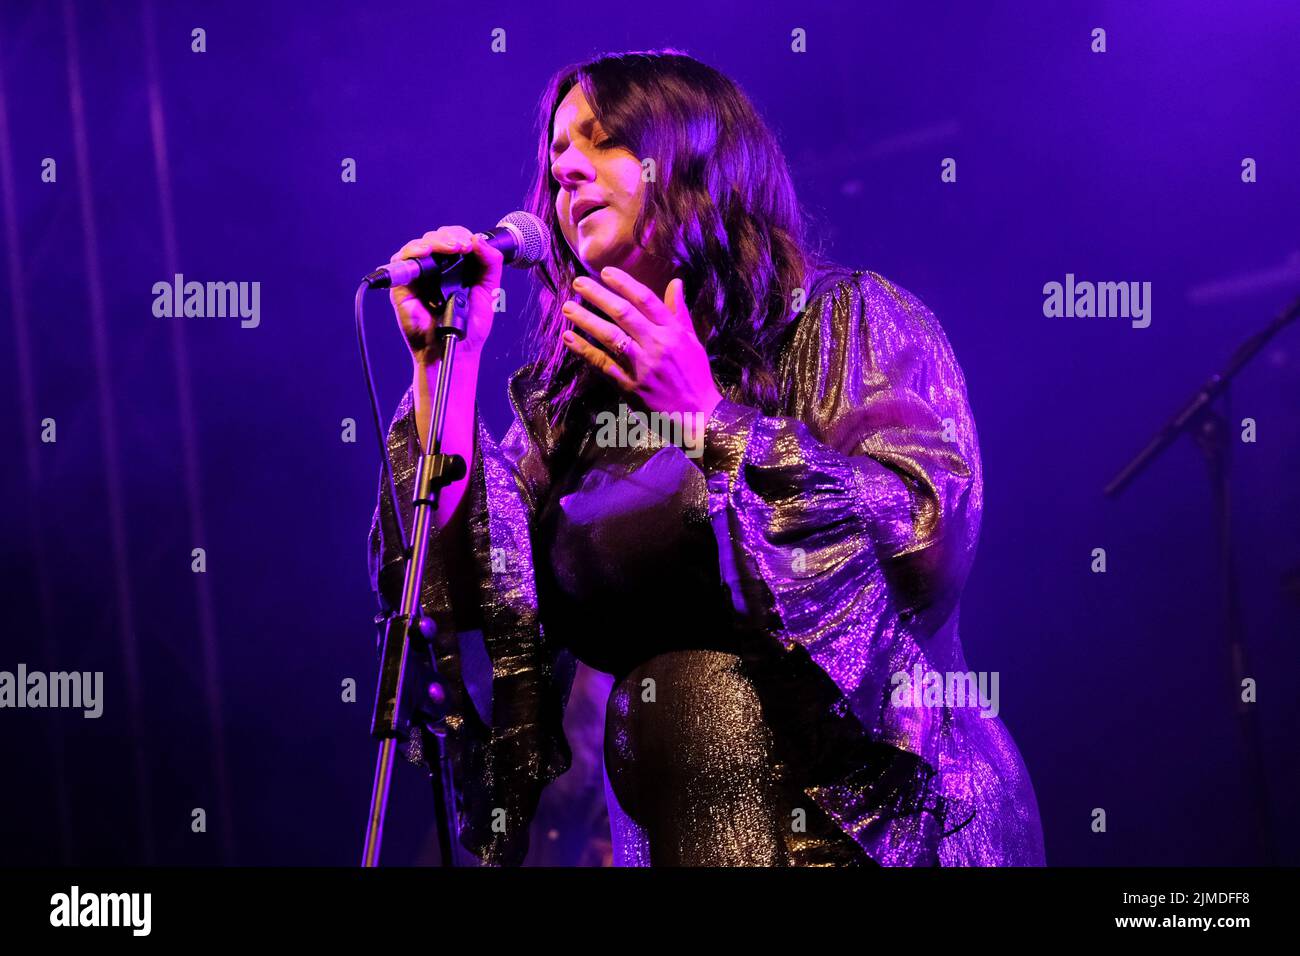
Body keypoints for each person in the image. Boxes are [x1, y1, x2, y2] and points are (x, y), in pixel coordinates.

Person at [369, 49, 1046, 866]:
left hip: (861, 833)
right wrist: (445, 366)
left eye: (604, 139)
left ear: (695, 155)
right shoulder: (577, 410)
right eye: (555, 158)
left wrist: (708, 419)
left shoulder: (842, 321)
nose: (567, 172)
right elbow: (466, 585)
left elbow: (920, 537)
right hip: (676, 838)